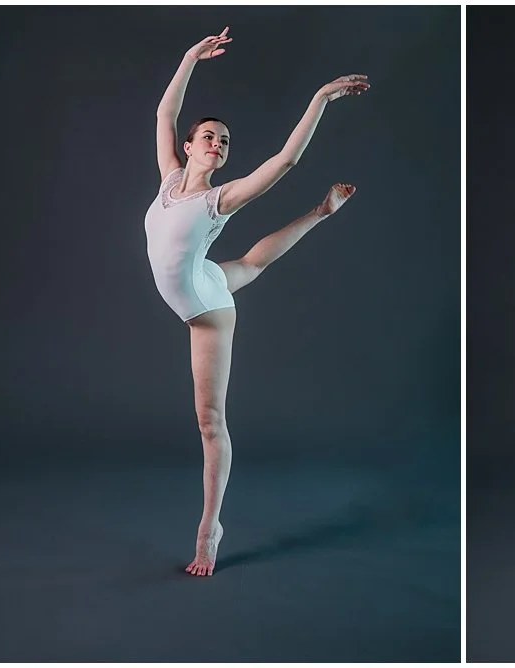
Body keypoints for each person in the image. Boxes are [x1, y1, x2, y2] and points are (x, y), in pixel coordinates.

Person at [145, 27, 369, 576]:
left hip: (205, 312)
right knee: (246, 265)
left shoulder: (222, 196)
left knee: (209, 422)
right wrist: (189, 56)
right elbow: (163, 115)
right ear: (192, 144)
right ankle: (320, 215)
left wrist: (319, 99)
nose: (218, 144)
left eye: (225, 140)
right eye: (210, 136)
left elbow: (285, 161)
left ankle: (209, 527)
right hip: (204, 276)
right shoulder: (170, 179)